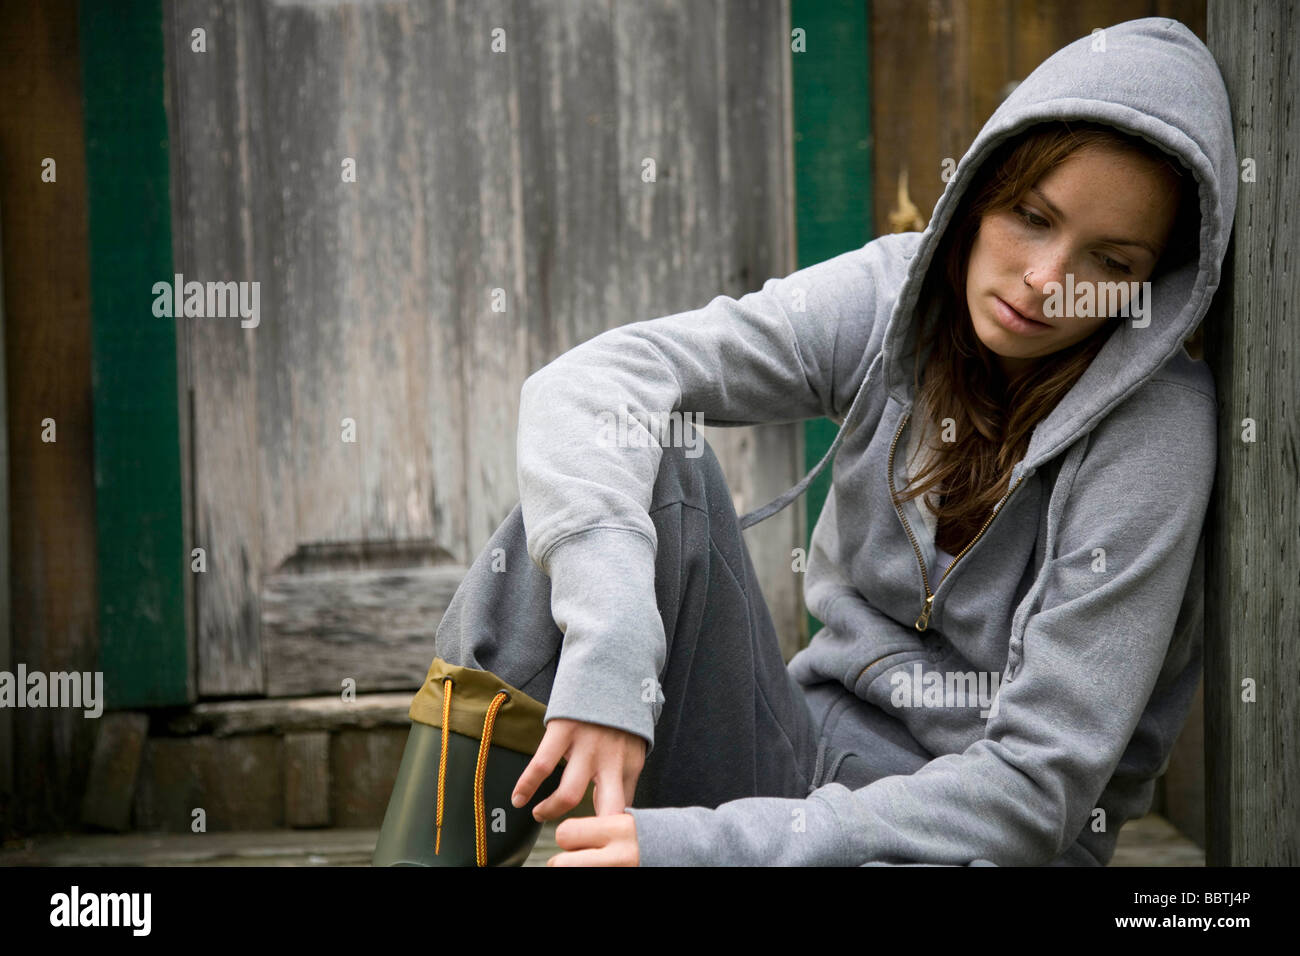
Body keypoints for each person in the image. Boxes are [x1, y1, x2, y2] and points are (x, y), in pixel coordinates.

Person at [372, 16, 1236, 867]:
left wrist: (691, 847)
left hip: (965, 843)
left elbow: (1032, 793)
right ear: (980, 191)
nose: (1048, 281)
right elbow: (591, 384)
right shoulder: (901, 297)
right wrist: (614, 650)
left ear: (1154, 288)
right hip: (786, 760)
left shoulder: (1156, 434)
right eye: (1031, 216)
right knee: (642, 463)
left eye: (1110, 264)